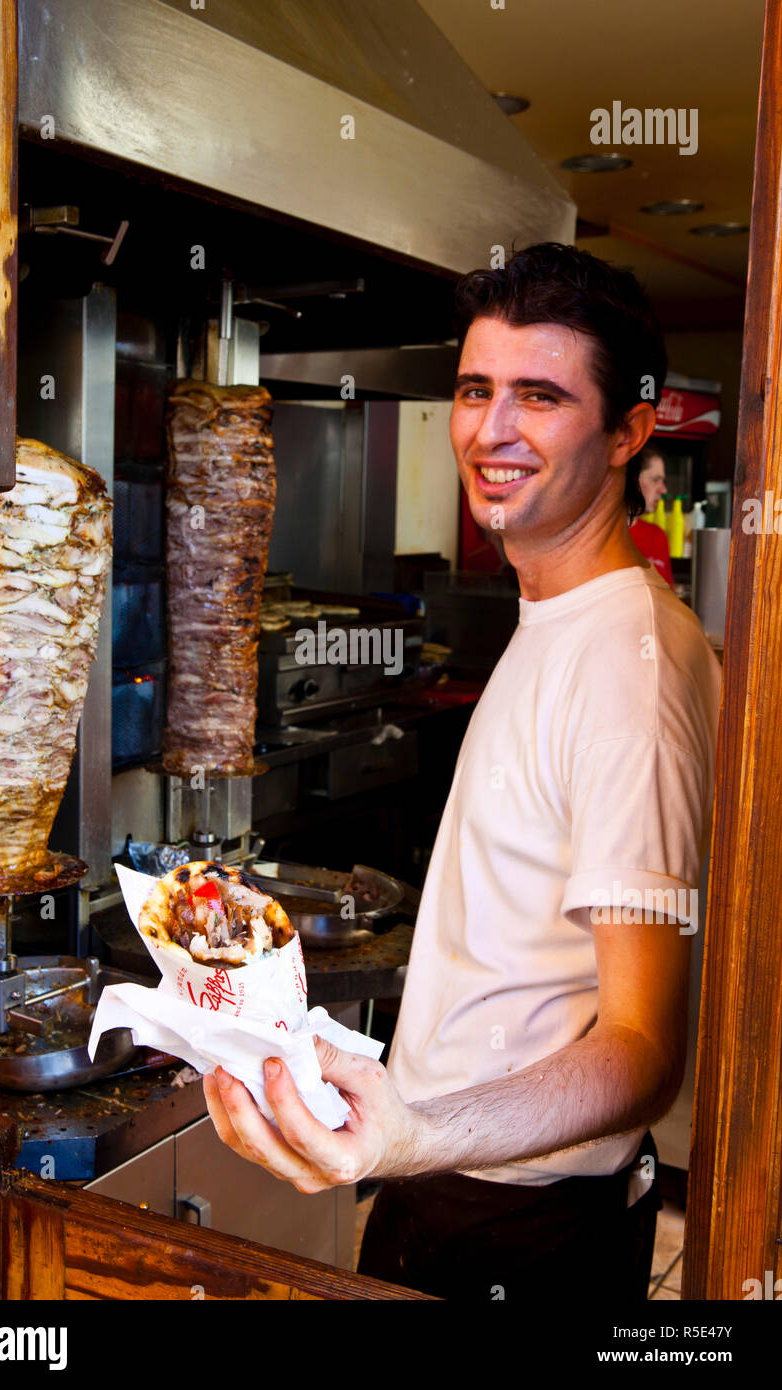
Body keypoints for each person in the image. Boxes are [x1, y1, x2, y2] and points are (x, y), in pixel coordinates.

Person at [201, 243, 722, 1303]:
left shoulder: (631, 665)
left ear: (629, 429)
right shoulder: (557, 617)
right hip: (454, 1184)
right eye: (476, 389)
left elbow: (640, 1050)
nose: (492, 430)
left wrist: (413, 1134)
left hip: (517, 1226)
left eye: (541, 395)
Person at [629, 445, 674, 586]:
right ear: (632, 479)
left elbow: (668, 596)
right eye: (655, 480)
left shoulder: (657, 536)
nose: (663, 489)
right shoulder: (602, 536)